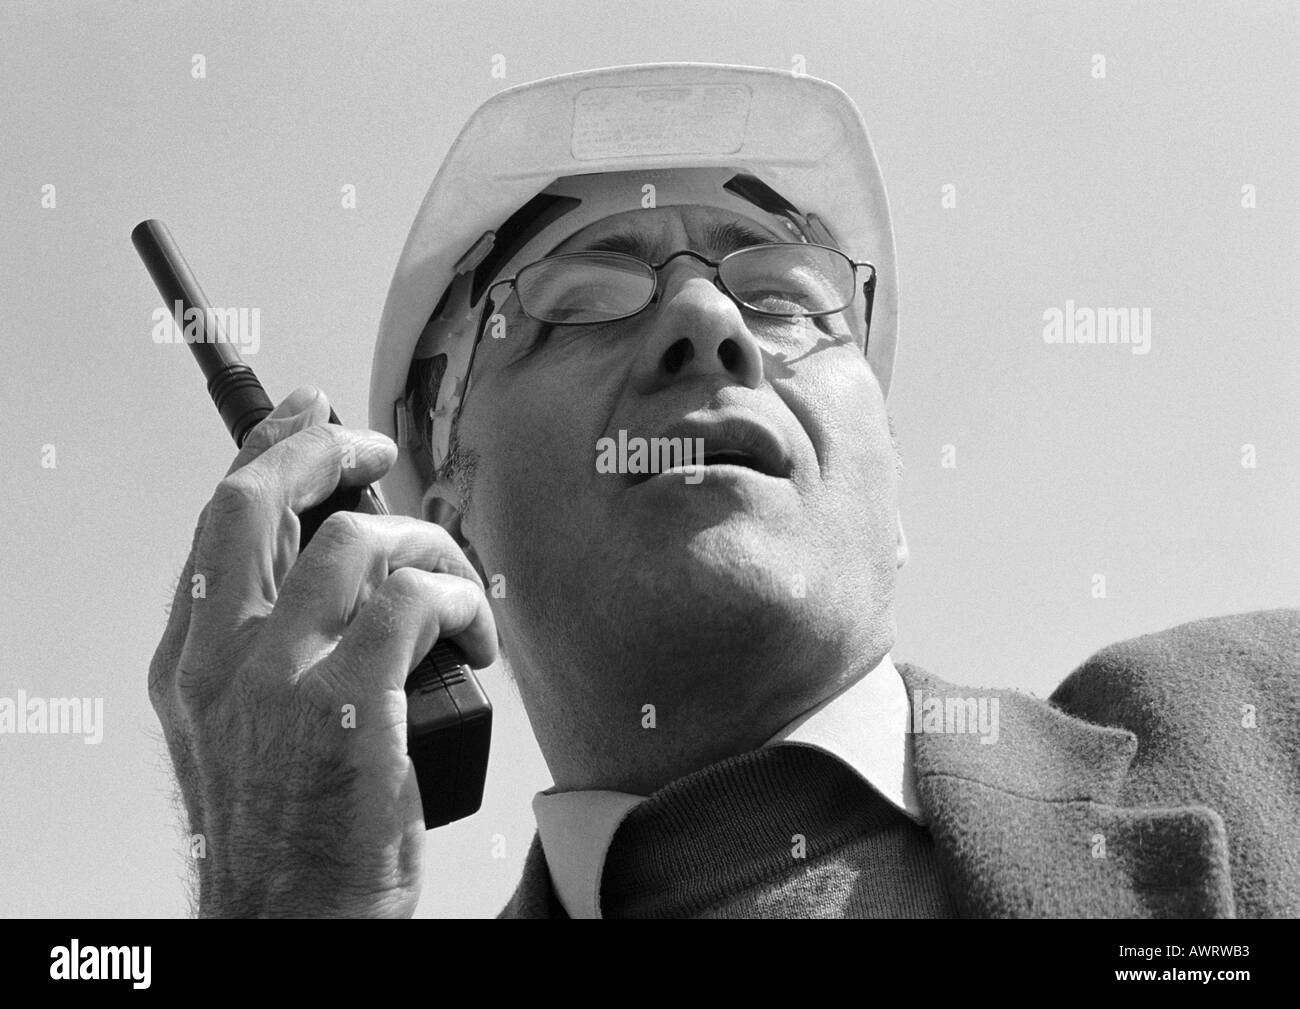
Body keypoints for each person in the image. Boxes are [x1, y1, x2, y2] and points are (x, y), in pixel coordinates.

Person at [148, 63, 1300, 918]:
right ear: (438, 513)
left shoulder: (1263, 715)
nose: (705, 321)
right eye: (581, 299)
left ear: (888, 480)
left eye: (789, 294)